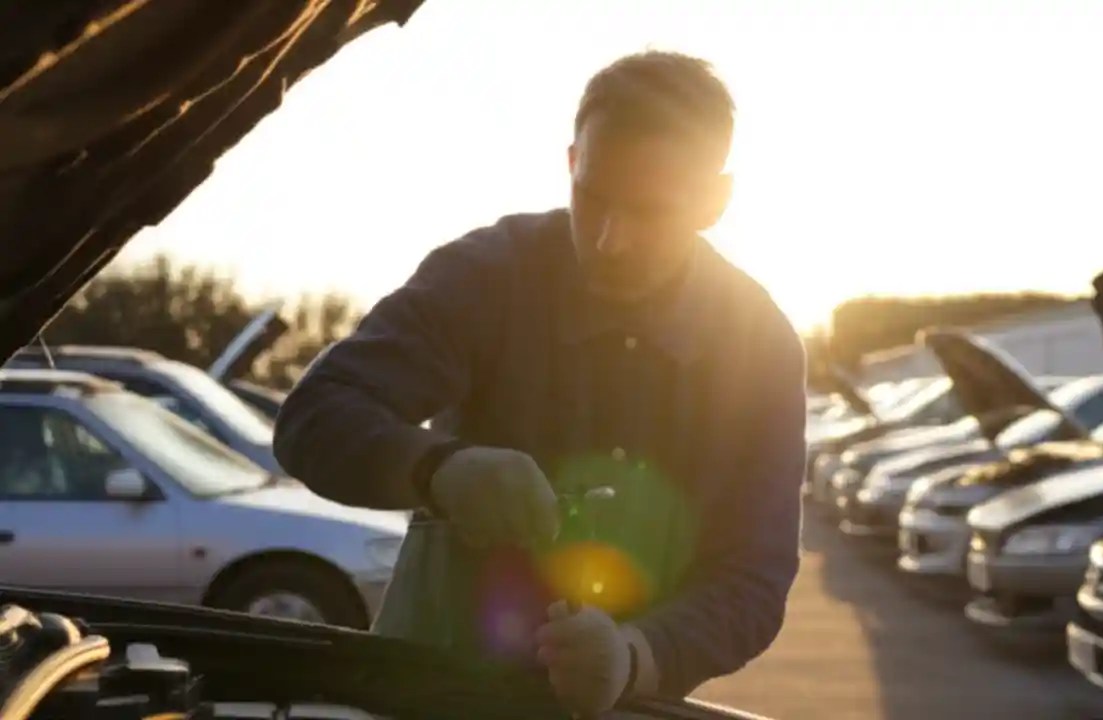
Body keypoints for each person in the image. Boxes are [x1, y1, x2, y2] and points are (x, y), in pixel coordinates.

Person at [273, 50, 806, 716]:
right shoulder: (486, 277)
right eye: (595, 198)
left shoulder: (759, 346)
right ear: (572, 161)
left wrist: (639, 655)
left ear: (714, 200)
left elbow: (752, 579)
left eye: (649, 212)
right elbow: (313, 418)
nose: (610, 240)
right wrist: (437, 468)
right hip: (425, 699)